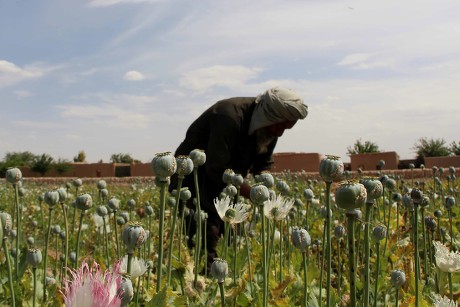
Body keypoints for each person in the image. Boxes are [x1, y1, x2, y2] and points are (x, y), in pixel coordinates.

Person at [169, 86, 308, 271]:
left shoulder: (270, 128)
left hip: (229, 182)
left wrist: (270, 195)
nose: (280, 133)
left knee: (233, 237)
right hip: (194, 180)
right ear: (269, 116)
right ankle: (200, 283)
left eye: (286, 128)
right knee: (204, 239)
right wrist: (254, 194)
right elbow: (216, 169)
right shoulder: (228, 116)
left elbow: (262, 165)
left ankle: (226, 283)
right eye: (279, 126)